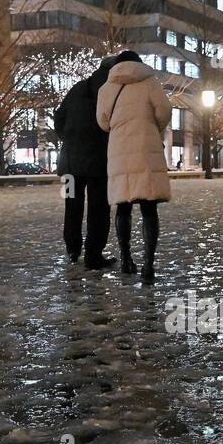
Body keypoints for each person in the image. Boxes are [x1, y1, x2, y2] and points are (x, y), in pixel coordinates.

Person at [97, 50, 171, 283]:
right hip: (146, 147)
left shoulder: (106, 88)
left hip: (119, 150)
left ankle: (126, 259)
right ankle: (148, 264)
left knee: (123, 206)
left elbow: (103, 122)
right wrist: (151, 125)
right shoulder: (150, 82)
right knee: (149, 208)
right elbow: (164, 112)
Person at [53, 56, 116, 268]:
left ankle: (72, 250)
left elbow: (59, 117)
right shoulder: (112, 91)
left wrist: (68, 139)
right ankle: (93, 255)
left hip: (69, 164)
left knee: (71, 206)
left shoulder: (78, 88)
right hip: (99, 164)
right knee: (99, 209)